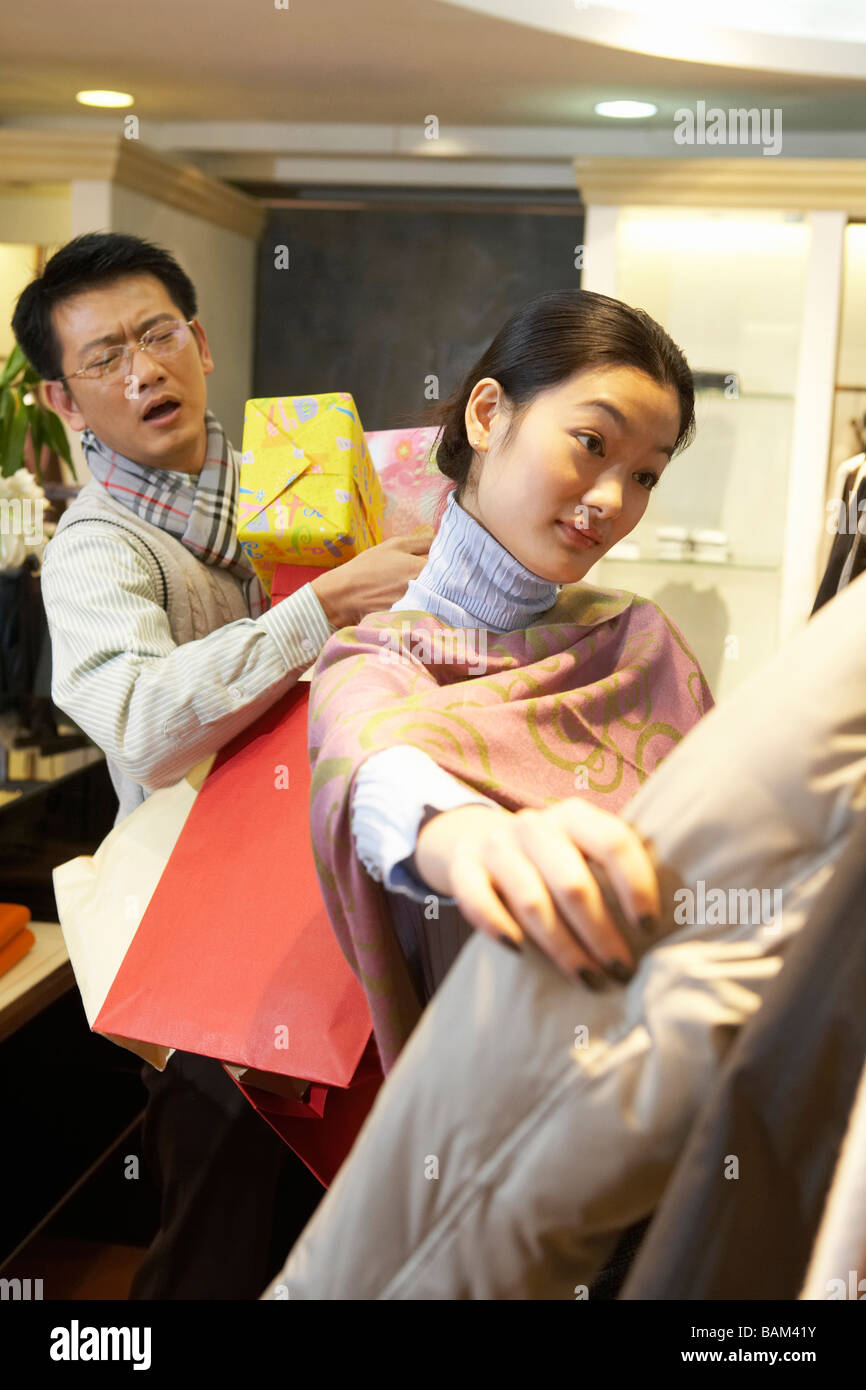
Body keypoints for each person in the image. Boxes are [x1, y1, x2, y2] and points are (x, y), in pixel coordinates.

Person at [11, 231, 430, 1299]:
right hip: (207, 939)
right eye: (104, 357)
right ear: (63, 401)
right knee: (217, 1234)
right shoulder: (99, 547)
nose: (143, 369)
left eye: (157, 334)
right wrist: (322, 605)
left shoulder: (310, 483)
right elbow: (143, 721)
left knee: (347, 1231)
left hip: (345, 908)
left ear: (199, 342)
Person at [302, 289, 714, 1073]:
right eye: (592, 442)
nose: (611, 501)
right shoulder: (378, 656)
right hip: (505, 1099)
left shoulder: (637, 639)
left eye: (645, 478)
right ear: (487, 416)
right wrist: (469, 838)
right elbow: (372, 766)